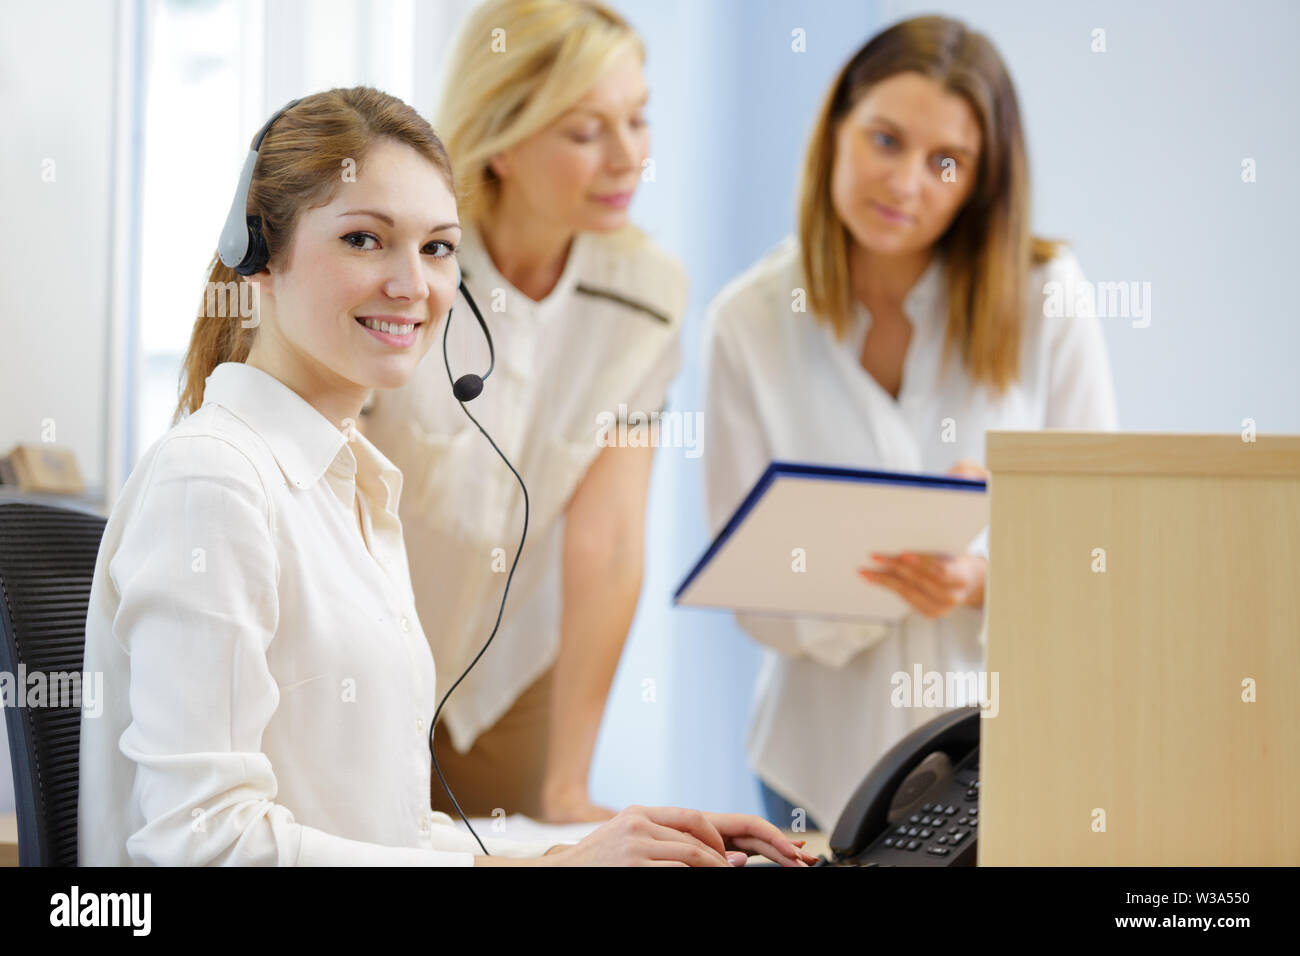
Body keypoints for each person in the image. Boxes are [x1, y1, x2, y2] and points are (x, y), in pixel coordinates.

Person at [78, 85, 813, 867]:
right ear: (258, 257)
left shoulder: (351, 489)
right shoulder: (214, 484)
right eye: (364, 240)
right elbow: (203, 843)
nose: (413, 285)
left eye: (436, 248)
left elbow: (383, 828)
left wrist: (604, 847)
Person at [702, 16, 1119, 832]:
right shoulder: (747, 321)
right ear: (835, 131)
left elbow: (1099, 541)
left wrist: (987, 575)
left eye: (945, 162)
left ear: (980, 181)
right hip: (812, 768)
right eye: (885, 140)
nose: (905, 184)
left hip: (1003, 758)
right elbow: (751, 594)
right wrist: (885, 581)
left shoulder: (1049, 300)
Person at [359, 0, 686, 824]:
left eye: (638, 121)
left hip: (507, 676)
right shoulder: (405, 267)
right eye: (585, 132)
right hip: (352, 657)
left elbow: (608, 542)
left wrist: (570, 784)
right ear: (501, 138)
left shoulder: (647, 299)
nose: (628, 158)